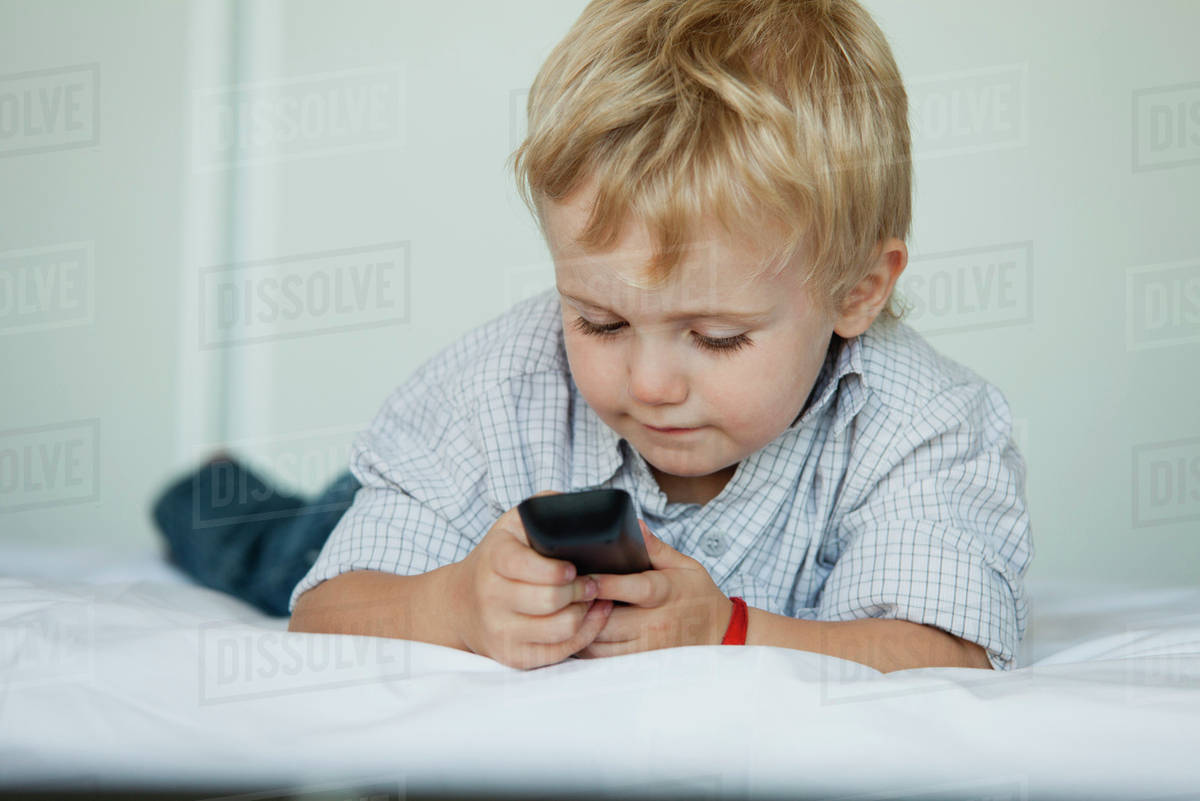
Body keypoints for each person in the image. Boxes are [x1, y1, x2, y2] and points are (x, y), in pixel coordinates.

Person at [156, 0, 1033, 673]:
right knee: (274, 555)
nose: (648, 383)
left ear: (858, 291)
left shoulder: (924, 426)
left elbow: (948, 656)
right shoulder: (499, 386)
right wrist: (453, 607)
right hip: (422, 508)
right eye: (601, 320)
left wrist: (730, 631)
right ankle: (215, 493)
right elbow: (327, 611)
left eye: (718, 336)